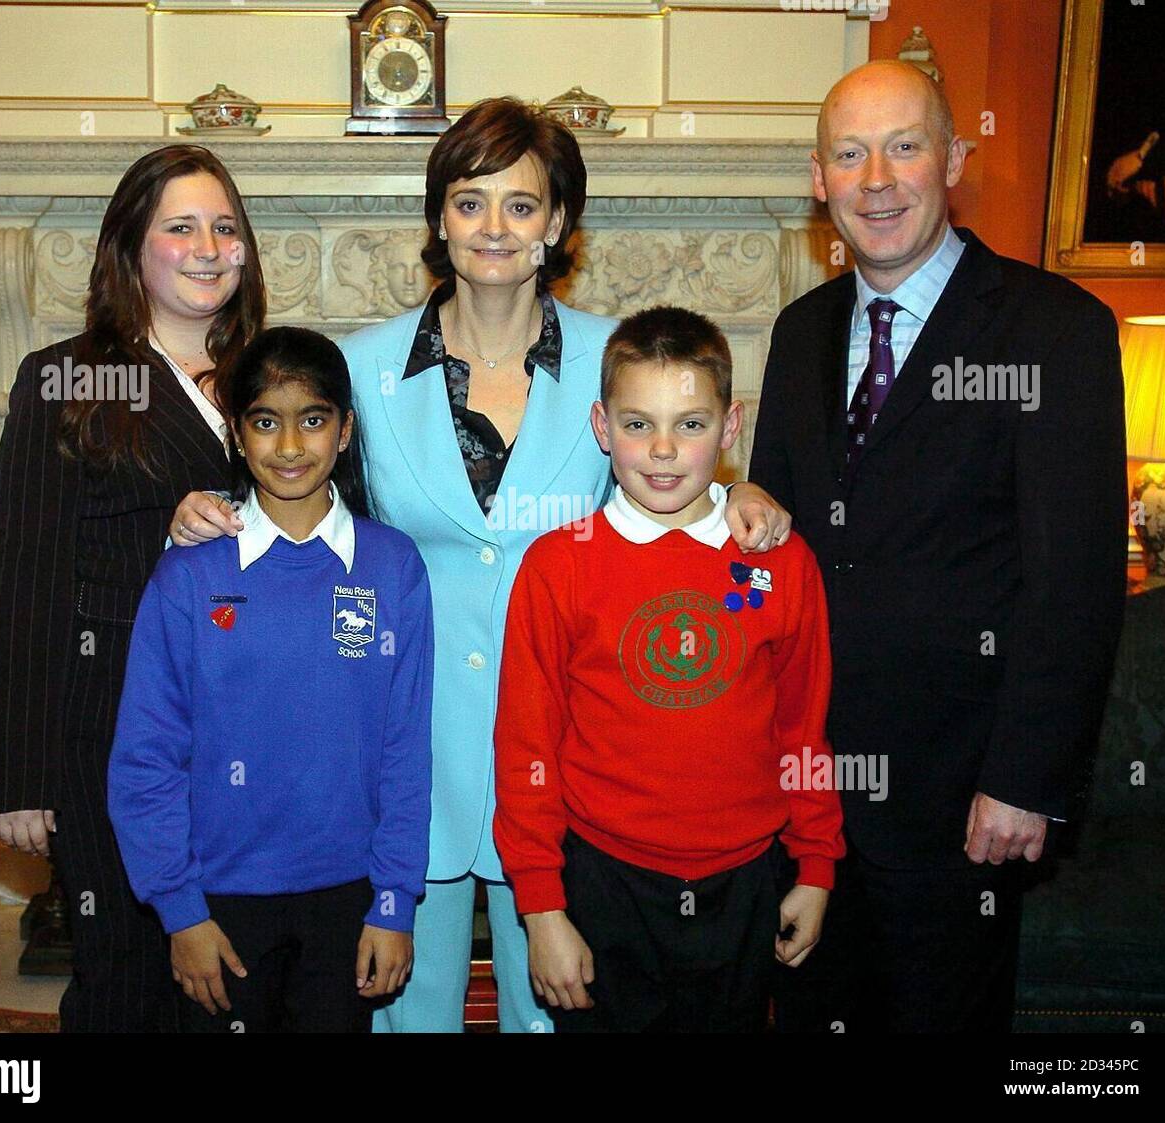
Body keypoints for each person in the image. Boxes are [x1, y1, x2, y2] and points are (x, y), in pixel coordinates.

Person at [168, 97, 790, 1032]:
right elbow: (293, 489)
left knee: (559, 1012)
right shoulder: (361, 368)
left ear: (560, 223)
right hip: (407, 754)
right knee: (407, 1015)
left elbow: (676, 481)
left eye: (521, 204)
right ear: (438, 218)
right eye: (468, 202)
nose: (493, 228)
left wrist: (743, 494)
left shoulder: (620, 367)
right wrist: (201, 510)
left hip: (576, 755)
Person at [733, 60, 1128, 1032]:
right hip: (808, 803)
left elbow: (1073, 583)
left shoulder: (1054, 331)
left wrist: (1024, 778)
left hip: (963, 807)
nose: (877, 179)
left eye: (904, 146)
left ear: (952, 158)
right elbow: (771, 553)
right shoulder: (798, 331)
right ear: (818, 179)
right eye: (850, 153)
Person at [494, 306, 845, 1033]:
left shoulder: (778, 562)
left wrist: (815, 864)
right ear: (600, 427)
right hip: (602, 881)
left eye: (689, 424)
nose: (661, 449)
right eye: (636, 423)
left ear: (731, 426)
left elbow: (803, 729)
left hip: (746, 882)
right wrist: (541, 905)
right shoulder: (558, 566)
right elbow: (526, 747)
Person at [0, 146, 266, 1032]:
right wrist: (18, 775)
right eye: (179, 227)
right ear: (131, 250)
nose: (208, 246)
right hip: (108, 737)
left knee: (232, 976)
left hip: (252, 734)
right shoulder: (65, 380)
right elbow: (26, 579)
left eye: (224, 227)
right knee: (129, 974)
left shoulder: (275, 381)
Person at [106, 327, 433, 1033]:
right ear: (237, 432)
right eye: (265, 421)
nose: (290, 446)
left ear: (345, 431)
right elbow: (145, 758)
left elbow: (406, 750)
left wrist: (393, 900)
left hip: (349, 897)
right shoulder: (188, 576)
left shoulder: (393, 567)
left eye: (313, 420)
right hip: (220, 898)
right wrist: (180, 907)